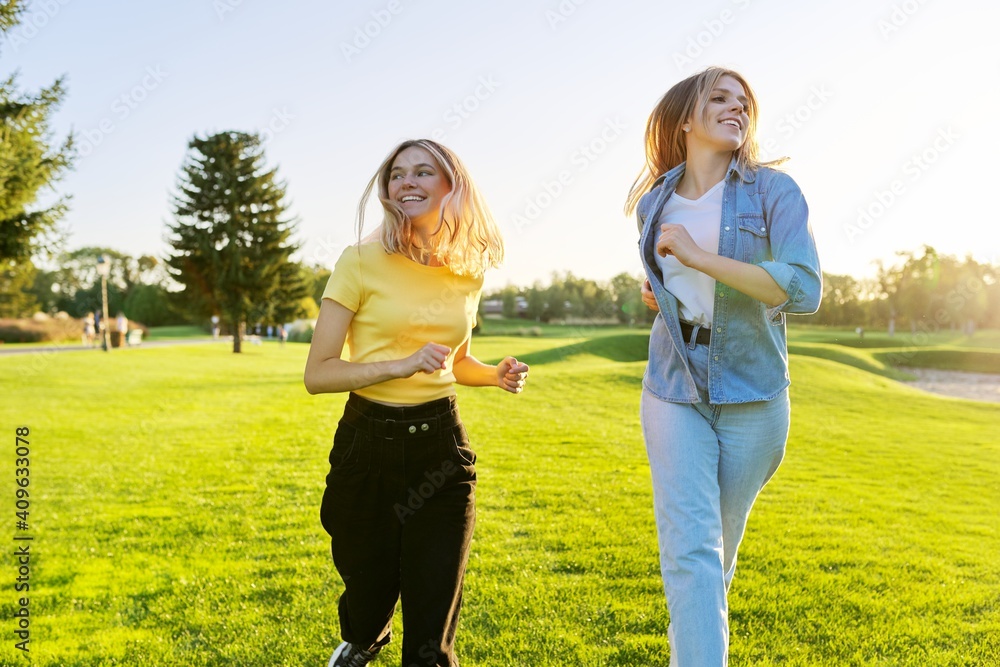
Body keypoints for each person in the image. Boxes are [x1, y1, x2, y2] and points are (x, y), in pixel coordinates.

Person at [304, 139, 529, 667]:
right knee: (368, 596)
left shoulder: (467, 272)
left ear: (451, 186)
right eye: (396, 174)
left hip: (441, 450)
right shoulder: (359, 261)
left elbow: (456, 361)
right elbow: (318, 374)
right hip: (367, 448)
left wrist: (493, 375)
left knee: (431, 636)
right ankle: (364, 636)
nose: (406, 181)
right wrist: (398, 365)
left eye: (423, 172)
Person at [625, 67, 821, 665]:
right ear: (686, 118)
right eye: (720, 99)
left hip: (754, 395)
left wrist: (699, 259)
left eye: (744, 103)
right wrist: (663, 289)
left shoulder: (772, 191)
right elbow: (669, 278)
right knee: (691, 555)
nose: (737, 109)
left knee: (715, 554)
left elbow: (804, 289)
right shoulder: (654, 201)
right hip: (672, 388)